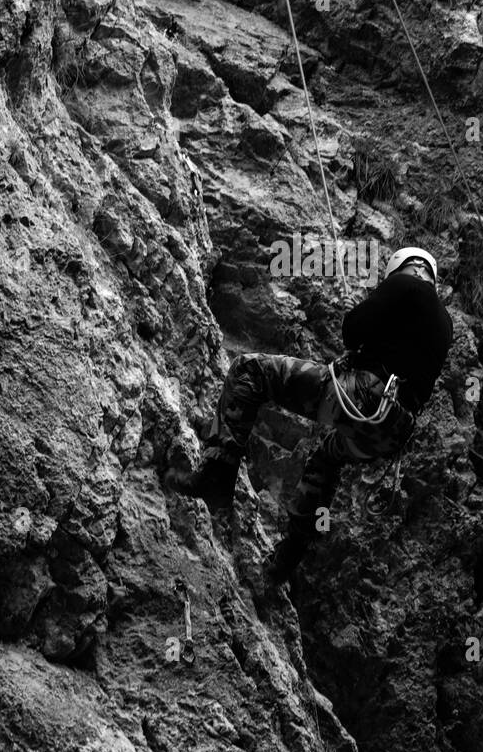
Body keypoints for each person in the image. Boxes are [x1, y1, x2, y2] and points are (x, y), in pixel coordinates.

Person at [163, 247, 453, 584]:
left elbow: (353, 330)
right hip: (390, 432)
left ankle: (217, 472)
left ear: (401, 267)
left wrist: (369, 313)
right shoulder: (444, 324)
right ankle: (288, 558)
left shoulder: (405, 284)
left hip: (362, 396)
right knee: (325, 461)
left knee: (249, 371)